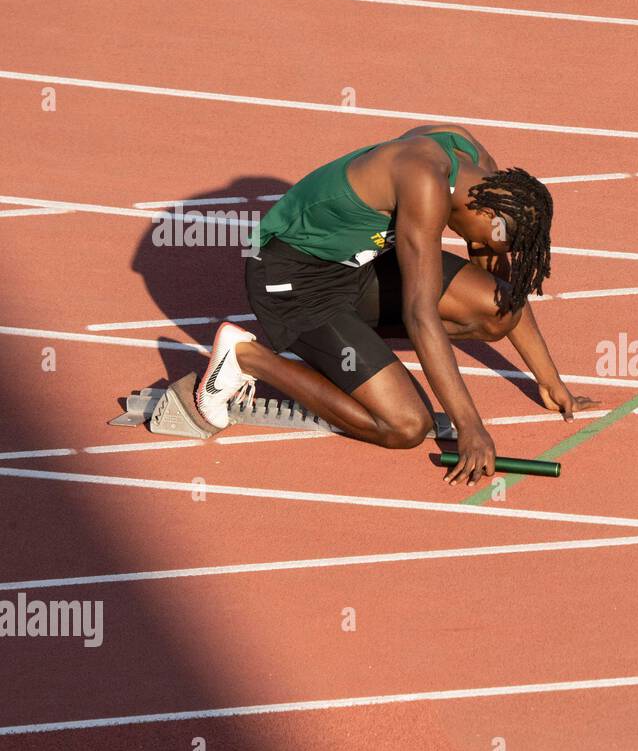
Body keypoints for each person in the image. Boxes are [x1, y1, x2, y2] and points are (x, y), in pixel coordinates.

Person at [194, 124, 596, 486]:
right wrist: (470, 426)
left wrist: (550, 380)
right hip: (294, 282)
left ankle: (351, 348)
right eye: (486, 244)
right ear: (489, 212)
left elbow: (500, 290)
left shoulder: (473, 160)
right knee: (404, 426)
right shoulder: (424, 183)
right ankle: (247, 357)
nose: (483, 253)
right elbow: (420, 317)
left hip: (360, 267)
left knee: (496, 308)